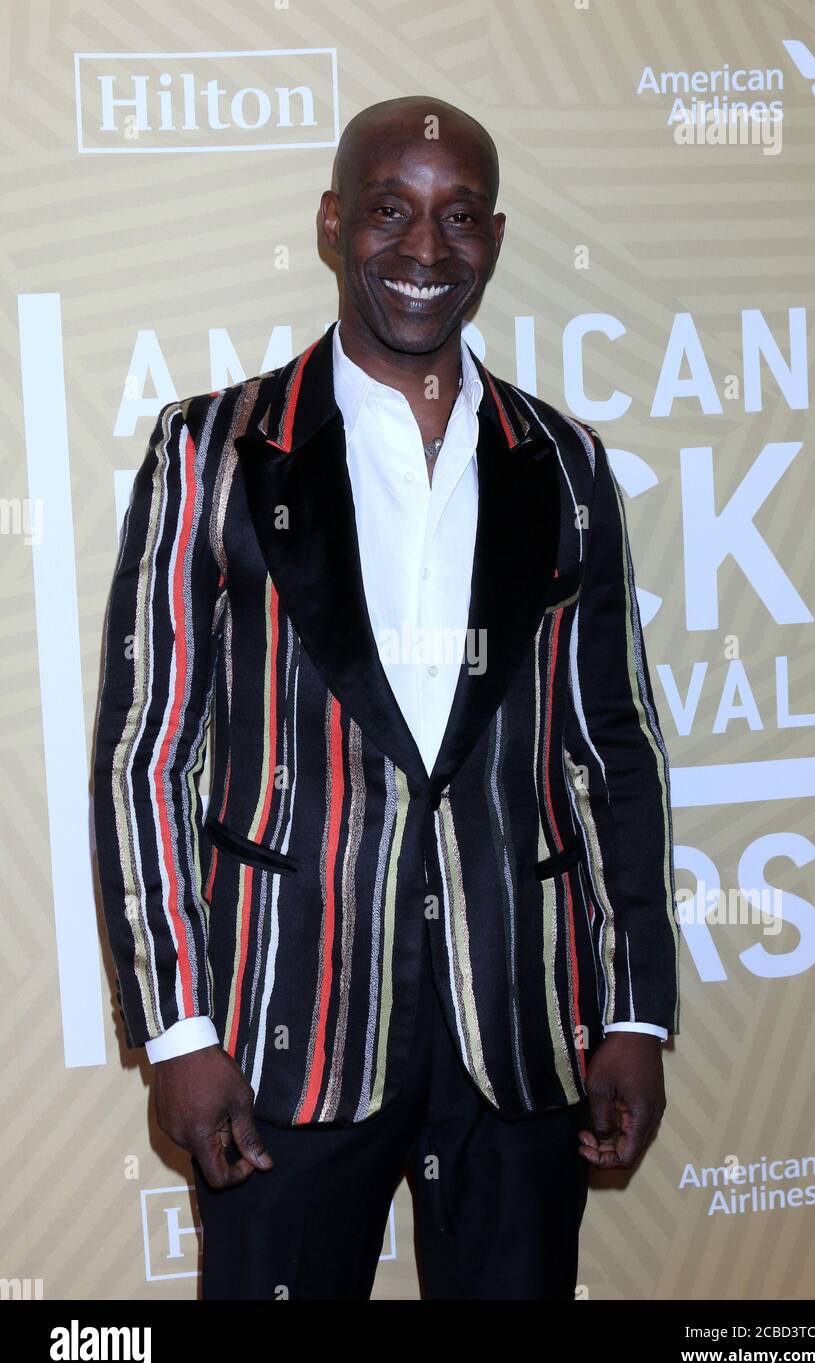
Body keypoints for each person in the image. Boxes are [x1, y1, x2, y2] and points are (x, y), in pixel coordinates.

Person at [92, 95, 680, 1300]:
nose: (423, 250)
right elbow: (143, 757)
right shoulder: (213, 451)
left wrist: (634, 1011)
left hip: (517, 1028)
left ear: (497, 236)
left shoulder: (562, 462)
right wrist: (177, 1033)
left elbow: (613, 742)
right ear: (331, 223)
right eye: (389, 212)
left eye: (457, 215)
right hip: (283, 1042)